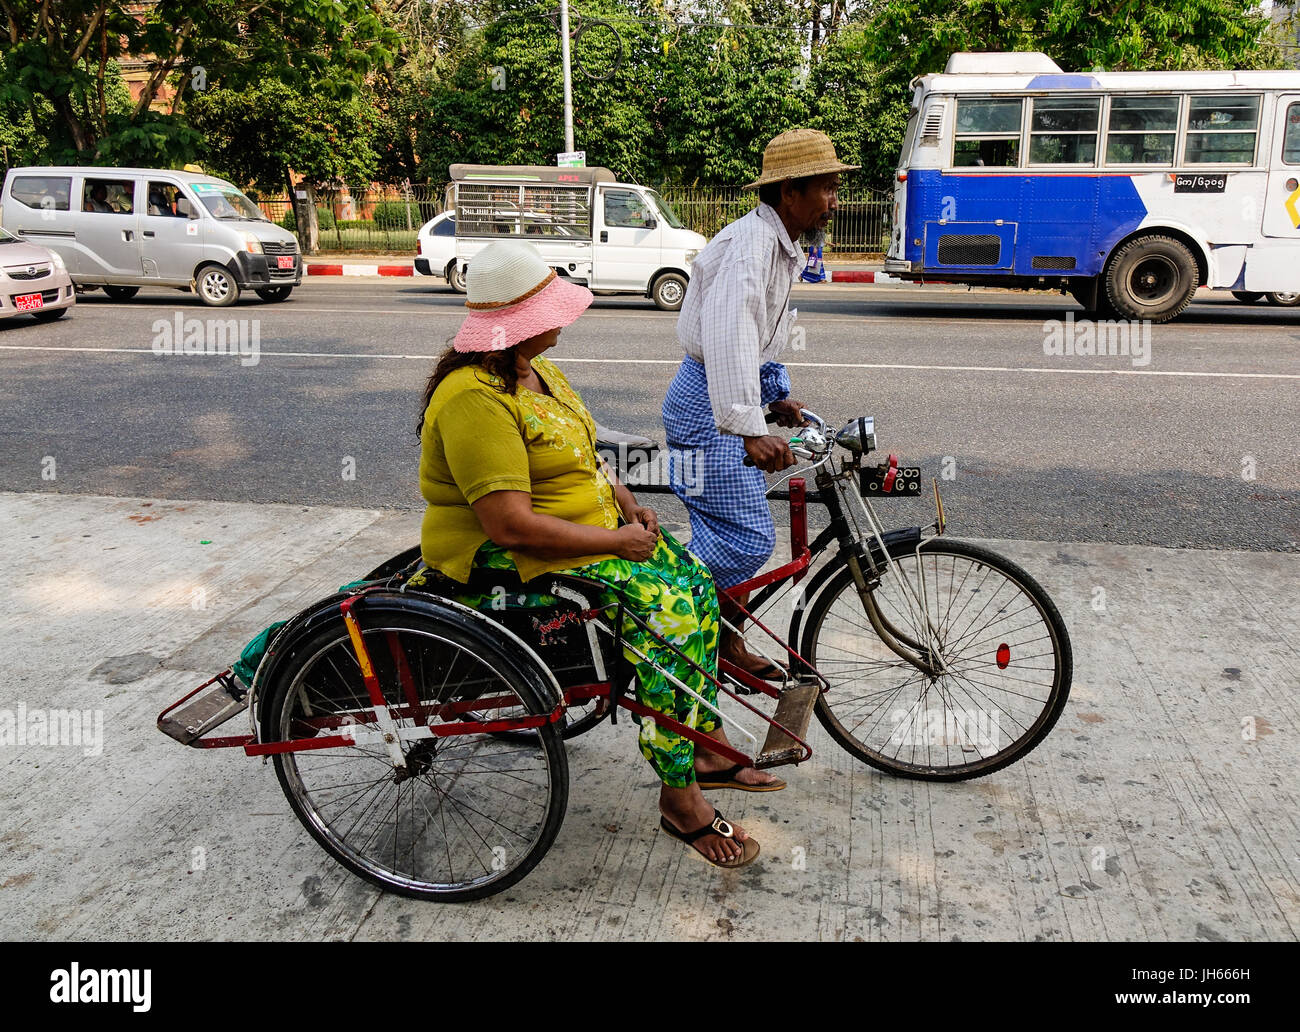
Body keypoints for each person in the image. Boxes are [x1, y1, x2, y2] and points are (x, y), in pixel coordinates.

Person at [411, 240, 781, 867]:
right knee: (670, 613)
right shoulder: (476, 396)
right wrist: (618, 540)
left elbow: (579, 456)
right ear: (521, 321)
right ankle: (680, 796)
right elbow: (510, 526)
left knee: (696, 584)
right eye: (552, 307)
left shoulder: (537, 371)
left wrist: (624, 500)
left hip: (583, 533)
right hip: (505, 555)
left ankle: (707, 744)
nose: (565, 317)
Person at [662, 128, 858, 681]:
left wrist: (776, 397)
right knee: (746, 539)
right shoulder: (751, 246)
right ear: (790, 192)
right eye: (826, 188)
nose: (835, 201)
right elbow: (727, 339)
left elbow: (755, 340)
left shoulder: (777, 244)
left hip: (726, 399)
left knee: (726, 535)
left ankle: (722, 639)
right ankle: (667, 614)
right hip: (710, 411)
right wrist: (749, 428)